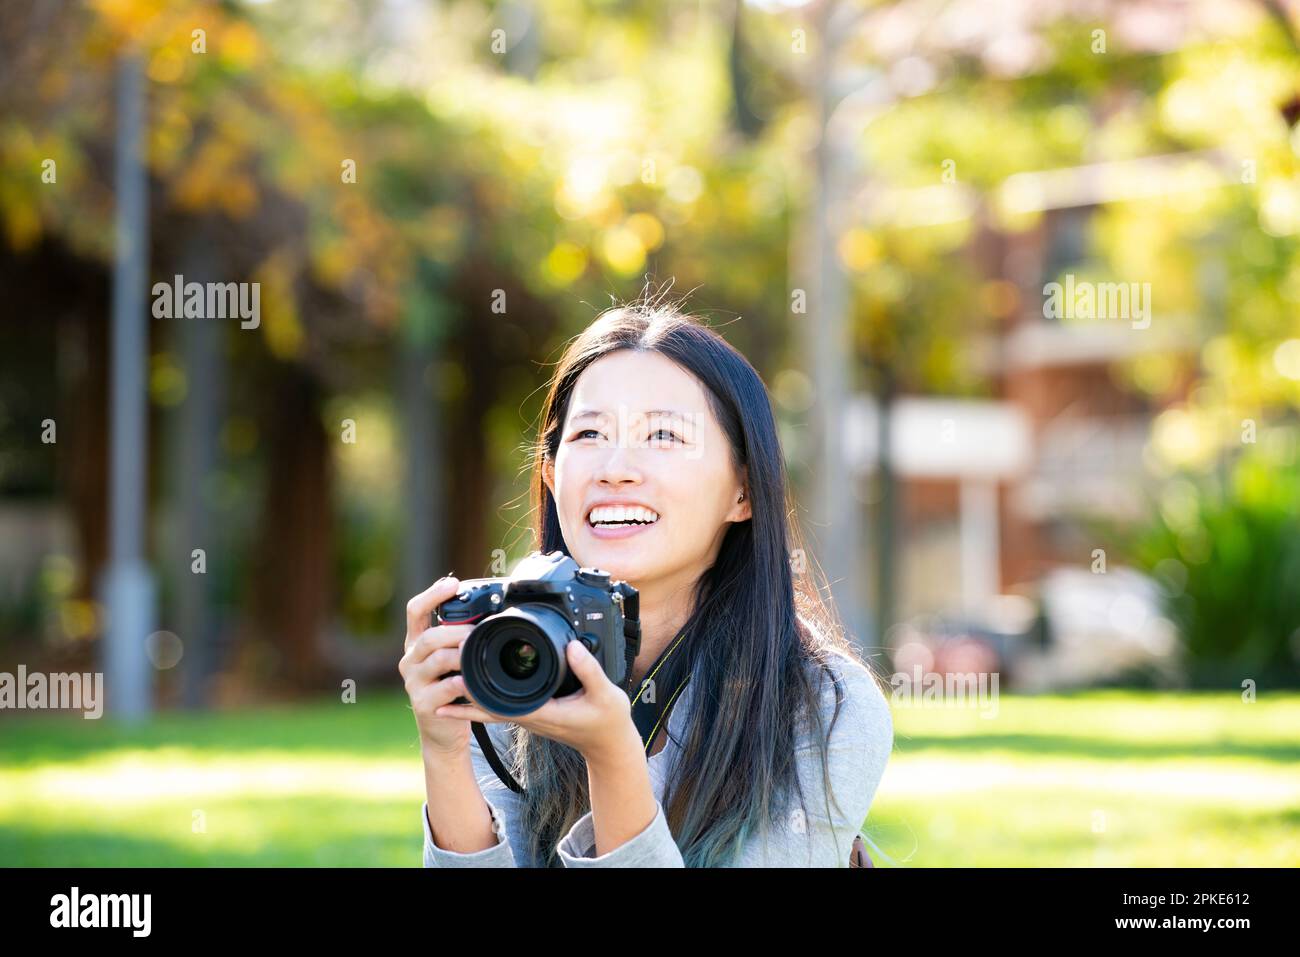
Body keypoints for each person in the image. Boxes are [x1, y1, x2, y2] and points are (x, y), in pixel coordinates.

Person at [399, 289, 893, 867]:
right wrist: (444, 749)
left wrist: (612, 757)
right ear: (553, 475)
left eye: (664, 436)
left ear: (743, 491)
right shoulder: (510, 652)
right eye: (589, 435)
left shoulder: (823, 704)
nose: (616, 470)